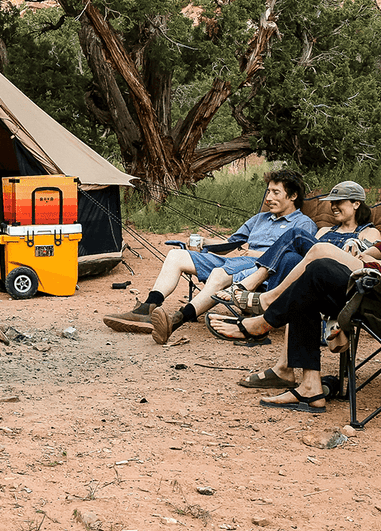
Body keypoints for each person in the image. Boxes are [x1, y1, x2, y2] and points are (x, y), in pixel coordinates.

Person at [104, 169, 315, 342]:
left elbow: (295, 259)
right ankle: (148, 308)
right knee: (176, 255)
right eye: (268, 192)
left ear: (293, 196)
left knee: (218, 274)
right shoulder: (260, 218)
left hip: (260, 268)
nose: (268, 198)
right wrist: (204, 241)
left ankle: (177, 319)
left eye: (276, 193)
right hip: (236, 260)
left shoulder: (302, 224)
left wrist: (258, 253)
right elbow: (231, 243)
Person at [207, 241, 381, 410]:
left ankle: (265, 318)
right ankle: (308, 384)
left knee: (318, 261)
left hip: (374, 290)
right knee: (313, 273)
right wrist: (363, 251)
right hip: (370, 285)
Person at [210, 181, 379, 318]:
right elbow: (308, 257)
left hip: (341, 281)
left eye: (339, 202)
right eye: (332, 202)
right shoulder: (325, 230)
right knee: (289, 258)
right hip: (313, 276)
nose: (333, 206)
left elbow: (368, 258)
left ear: (356, 203)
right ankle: (265, 313)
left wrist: (358, 245)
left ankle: (252, 285)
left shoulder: (368, 232)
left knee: (296, 234)